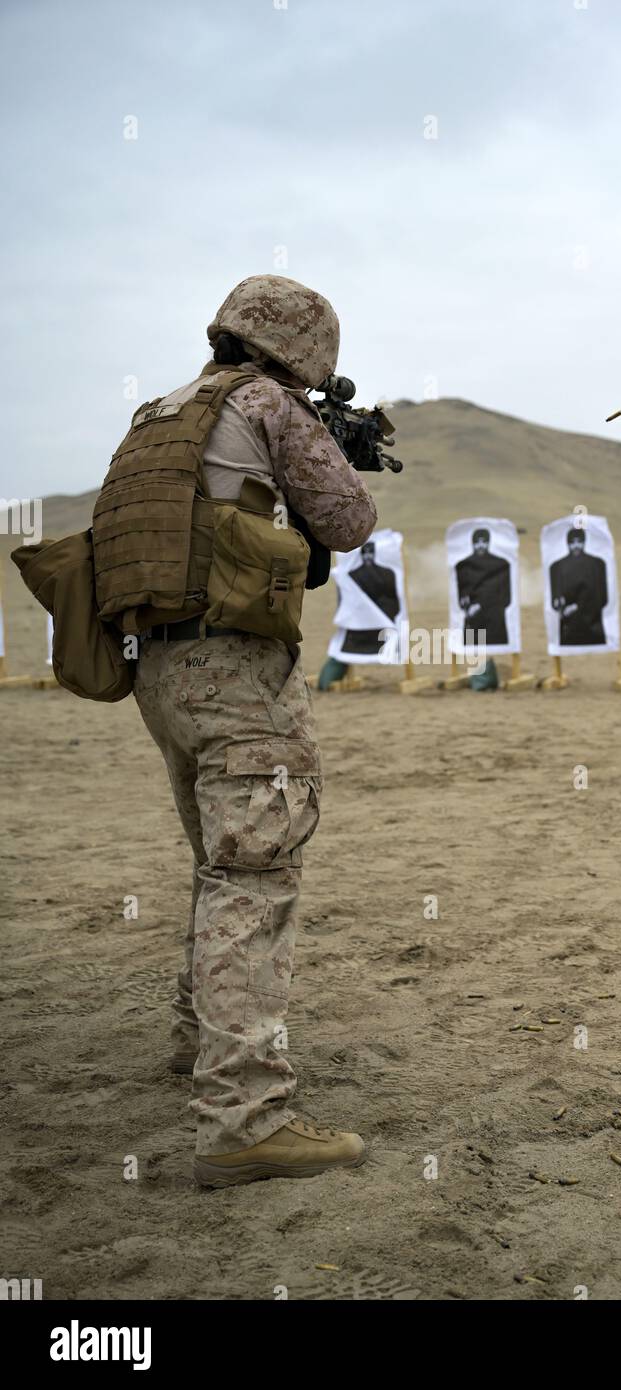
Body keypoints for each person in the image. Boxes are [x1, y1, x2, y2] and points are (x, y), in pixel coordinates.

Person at [91, 275, 377, 1187]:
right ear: (301, 350)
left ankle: (198, 1042)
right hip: (234, 671)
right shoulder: (268, 402)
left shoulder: (156, 414)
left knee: (222, 864)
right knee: (255, 878)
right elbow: (348, 520)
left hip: (157, 667)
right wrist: (335, 450)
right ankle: (245, 1116)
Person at [549, 527, 608, 646]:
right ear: (568, 543)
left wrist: (577, 607)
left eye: (579, 542)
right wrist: (559, 604)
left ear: (584, 542)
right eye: (572, 542)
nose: (576, 546)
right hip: (567, 627)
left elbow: (602, 598)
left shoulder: (597, 564)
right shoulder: (557, 566)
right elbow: (555, 596)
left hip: (593, 627)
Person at [340, 540, 400, 656]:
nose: (368, 556)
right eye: (365, 553)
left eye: (370, 553)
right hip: (360, 626)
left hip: (384, 623)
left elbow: (394, 598)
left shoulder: (387, 573)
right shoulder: (353, 574)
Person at [455, 528, 511, 645]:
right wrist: (466, 604)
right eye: (477, 542)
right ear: (472, 543)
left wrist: (481, 605)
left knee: (495, 648)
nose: (480, 546)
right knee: (472, 654)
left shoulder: (501, 564)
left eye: (484, 542)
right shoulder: (463, 566)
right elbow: (461, 593)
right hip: (472, 620)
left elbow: (505, 597)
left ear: (488, 543)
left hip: (494, 619)